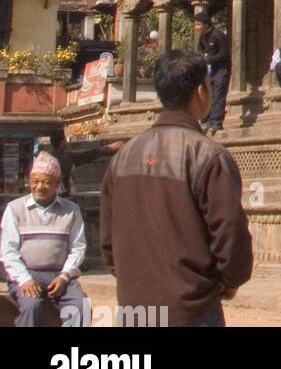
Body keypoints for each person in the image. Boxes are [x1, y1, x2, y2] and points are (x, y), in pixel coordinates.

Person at [100, 50, 253, 328]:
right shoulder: (207, 155)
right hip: (191, 308)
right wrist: (231, 279)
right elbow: (229, 229)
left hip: (135, 308)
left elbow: (108, 239)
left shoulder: (123, 157)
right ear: (200, 91)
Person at [1, 153, 88, 327]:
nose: (40, 187)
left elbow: (78, 247)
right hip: (27, 273)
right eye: (35, 181)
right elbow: (8, 251)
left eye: (46, 182)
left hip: (59, 274)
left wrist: (64, 277)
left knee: (80, 306)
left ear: (57, 183)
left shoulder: (71, 210)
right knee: (32, 306)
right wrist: (24, 279)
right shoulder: (15, 209)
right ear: (30, 181)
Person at [193, 9, 230, 134]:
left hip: (222, 68)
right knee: (211, 94)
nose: (196, 27)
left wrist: (209, 58)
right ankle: (209, 119)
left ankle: (217, 121)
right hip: (211, 70)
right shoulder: (203, 37)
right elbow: (200, 50)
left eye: (198, 24)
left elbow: (224, 54)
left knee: (219, 94)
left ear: (206, 24)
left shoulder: (218, 35)